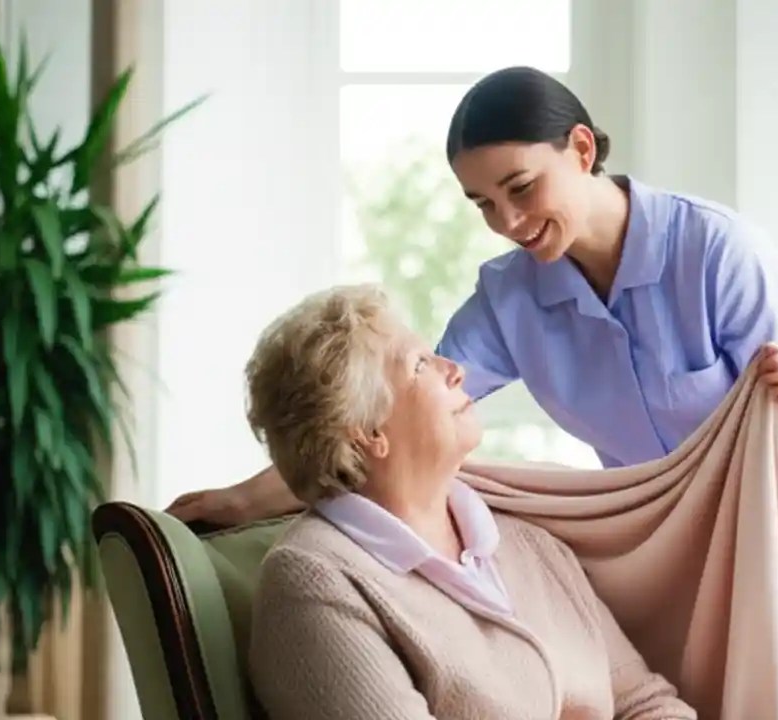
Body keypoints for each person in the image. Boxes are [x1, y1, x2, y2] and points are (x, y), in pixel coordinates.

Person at [168, 65, 778, 715]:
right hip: (660, 573)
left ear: (581, 149)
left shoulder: (718, 255)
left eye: (520, 187)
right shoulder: (510, 298)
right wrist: (241, 500)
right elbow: (373, 423)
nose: (507, 221)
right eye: (482, 204)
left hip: (774, 560)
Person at [246, 284, 696, 719]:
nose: (455, 369)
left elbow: (646, 702)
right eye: (420, 364)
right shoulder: (313, 582)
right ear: (367, 431)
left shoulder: (526, 541)